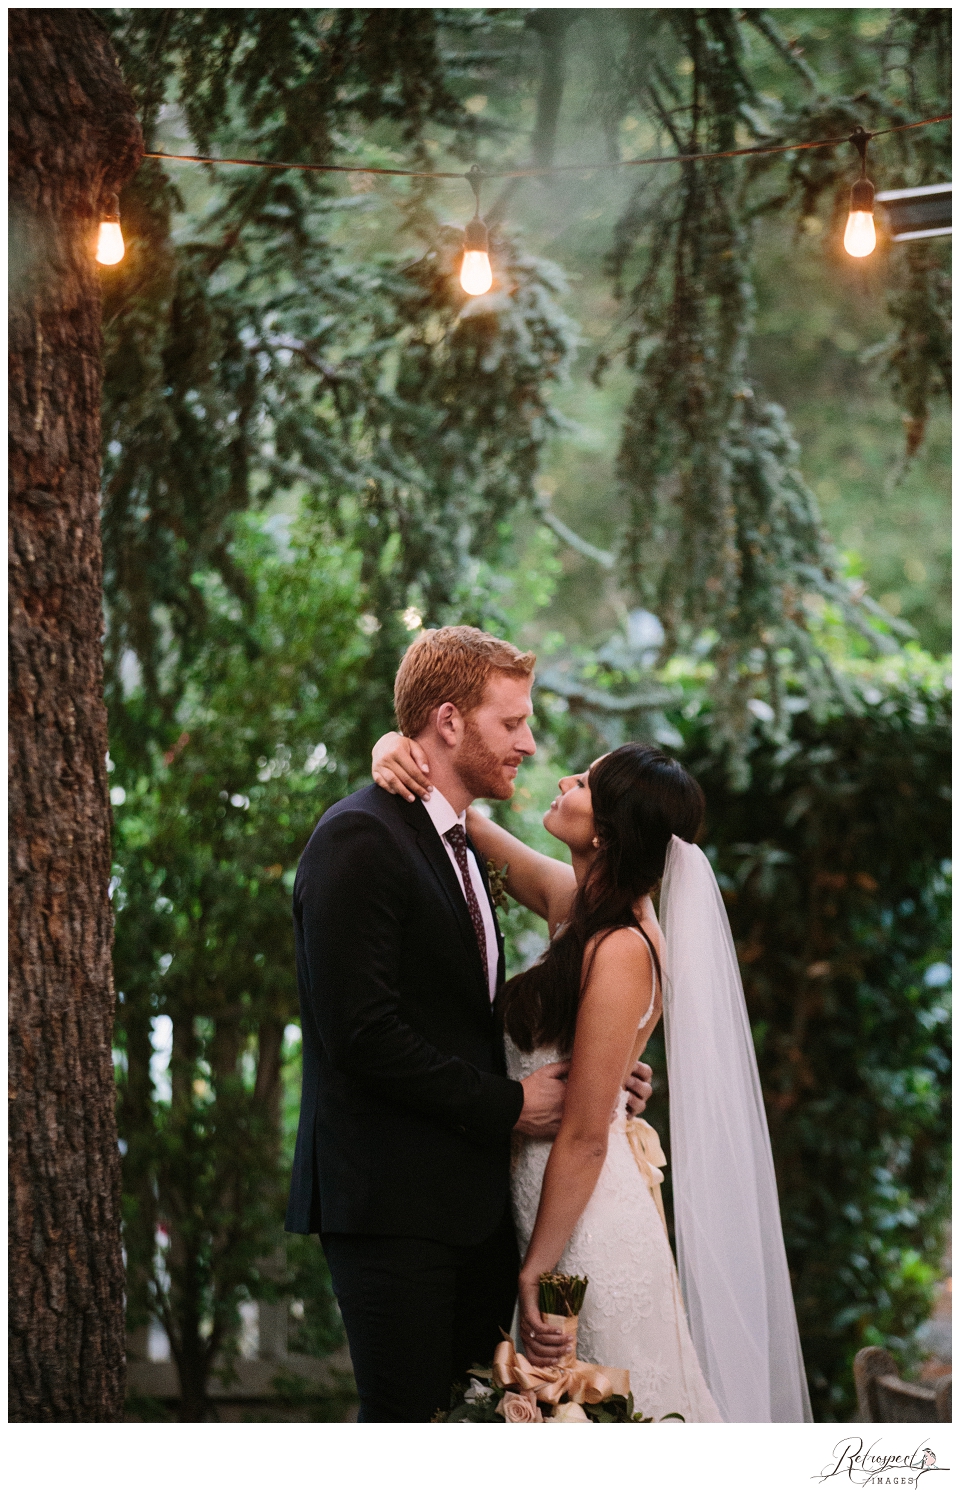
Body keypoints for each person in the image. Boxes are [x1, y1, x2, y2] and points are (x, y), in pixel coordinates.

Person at [373, 735, 814, 1423]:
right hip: (540, 1209)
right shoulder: (574, 904)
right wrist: (391, 748)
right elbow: (468, 823)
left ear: (607, 832)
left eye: (583, 782)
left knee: (594, 1407)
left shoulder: (625, 947)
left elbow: (584, 1135)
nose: (564, 780)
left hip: (582, 1231)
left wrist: (536, 1270)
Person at [285, 626, 652, 1423]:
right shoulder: (363, 838)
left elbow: (464, 1021)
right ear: (449, 722)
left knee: (495, 1419)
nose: (531, 745)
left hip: (495, 1209)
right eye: (511, 722)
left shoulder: (464, 845)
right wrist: (516, 1100)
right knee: (415, 1427)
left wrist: (602, 1069)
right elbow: (362, 1034)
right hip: (396, 1204)